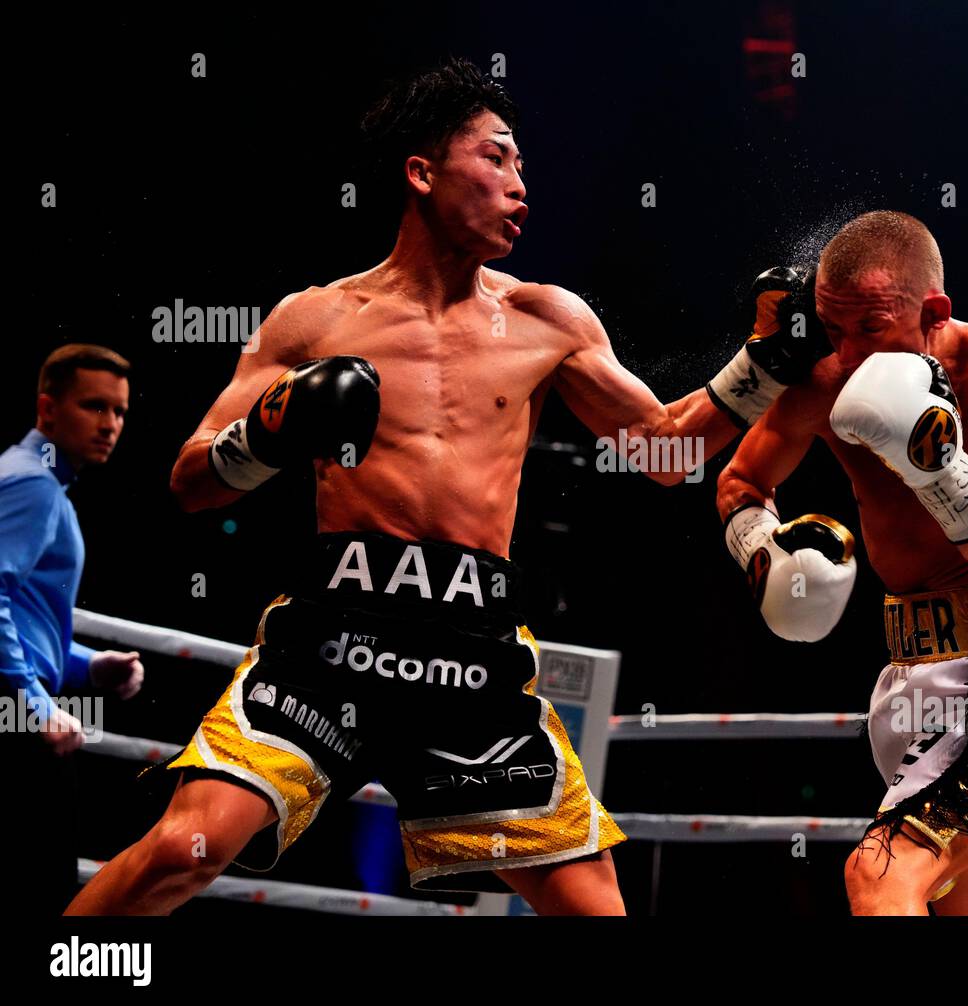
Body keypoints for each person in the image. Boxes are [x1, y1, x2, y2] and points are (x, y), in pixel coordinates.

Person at [66, 58, 825, 916]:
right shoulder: (313, 319)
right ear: (422, 174)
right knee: (177, 852)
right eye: (497, 159)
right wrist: (273, 429)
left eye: (524, 166)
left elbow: (662, 451)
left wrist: (762, 366)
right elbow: (191, 481)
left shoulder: (550, 319)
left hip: (473, 661)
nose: (519, 184)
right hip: (330, 644)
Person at [717, 210, 968, 915]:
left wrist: (937, 466)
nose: (849, 352)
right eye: (834, 330)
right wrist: (764, 555)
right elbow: (740, 483)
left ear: (934, 313)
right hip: (909, 668)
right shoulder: (825, 380)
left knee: (880, 873)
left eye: (871, 328)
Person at [0, 344, 145, 915]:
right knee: (38, 889)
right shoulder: (31, 485)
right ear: (47, 409)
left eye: (120, 412)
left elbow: (26, 610)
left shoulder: (33, 480)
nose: (110, 424)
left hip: (19, 707)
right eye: (94, 406)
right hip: (15, 718)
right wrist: (35, 706)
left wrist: (87, 666)